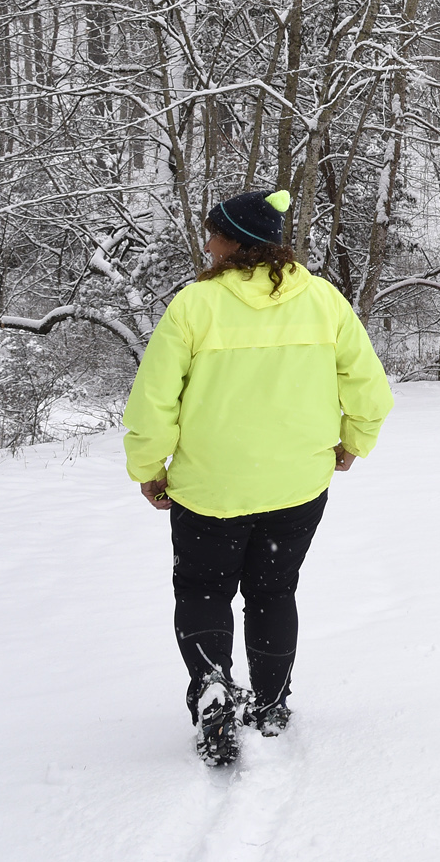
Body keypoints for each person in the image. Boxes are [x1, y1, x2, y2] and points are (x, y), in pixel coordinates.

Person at [122, 187, 394, 767]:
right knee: (273, 592)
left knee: (202, 591)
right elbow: (370, 390)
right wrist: (354, 443)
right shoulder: (323, 301)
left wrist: (149, 470)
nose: (206, 242)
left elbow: (153, 405)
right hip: (296, 486)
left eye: (212, 232)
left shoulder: (194, 307)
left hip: (210, 488)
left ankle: (213, 687)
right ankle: (270, 704)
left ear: (232, 243)